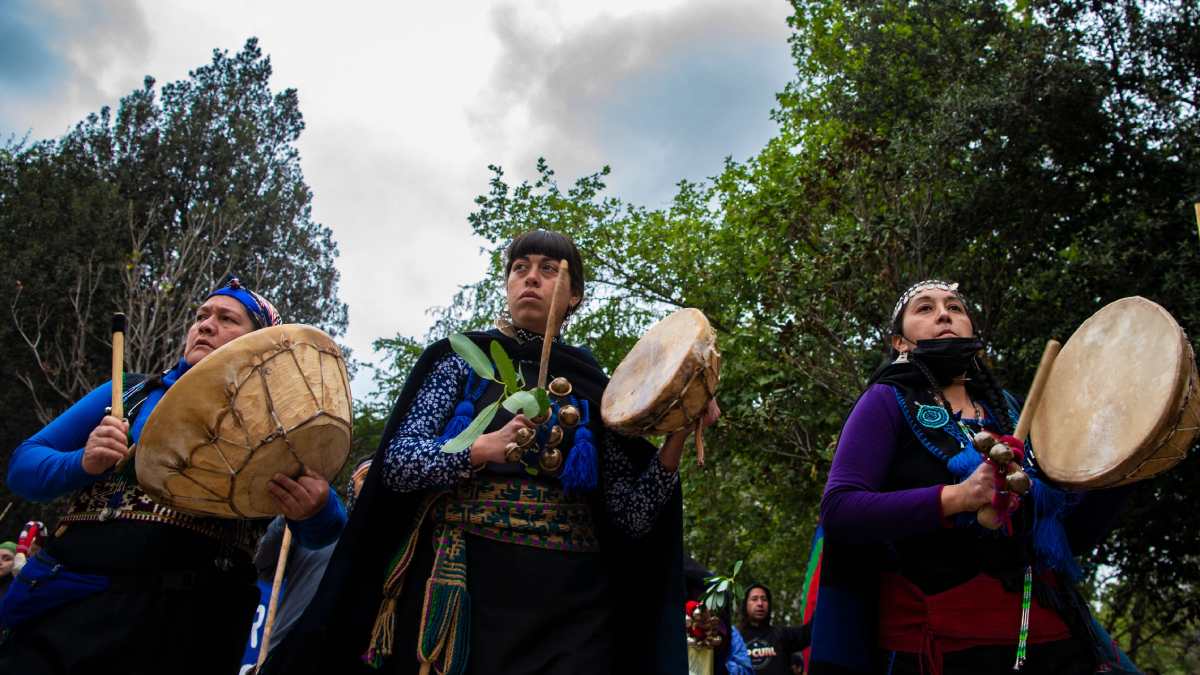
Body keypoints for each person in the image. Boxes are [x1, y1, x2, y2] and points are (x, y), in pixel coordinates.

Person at [265, 229, 718, 674]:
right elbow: (398, 463)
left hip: (575, 607)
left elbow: (631, 517)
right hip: (465, 588)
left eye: (548, 270)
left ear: (575, 295)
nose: (531, 278)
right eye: (520, 268)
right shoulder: (457, 362)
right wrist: (477, 450)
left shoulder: (596, 390)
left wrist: (680, 429)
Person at [0, 277, 346, 675]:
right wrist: (83, 461)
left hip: (189, 628)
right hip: (72, 609)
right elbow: (23, 466)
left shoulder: (285, 424)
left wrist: (316, 509)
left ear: (261, 342)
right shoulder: (129, 393)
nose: (206, 324)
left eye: (227, 318)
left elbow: (322, 535)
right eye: (201, 316)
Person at [810, 280, 1136, 674]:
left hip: (1054, 643)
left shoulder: (1013, 412)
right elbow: (841, 510)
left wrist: (1126, 465)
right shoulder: (885, 401)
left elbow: (1069, 536)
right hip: (944, 651)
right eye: (925, 308)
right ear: (900, 343)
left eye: (955, 307)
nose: (944, 313)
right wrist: (959, 498)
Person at [739, 583, 810, 675]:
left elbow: (811, 631)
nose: (760, 603)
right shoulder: (734, 638)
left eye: (764, 599)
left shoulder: (782, 634)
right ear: (745, 604)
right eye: (754, 599)